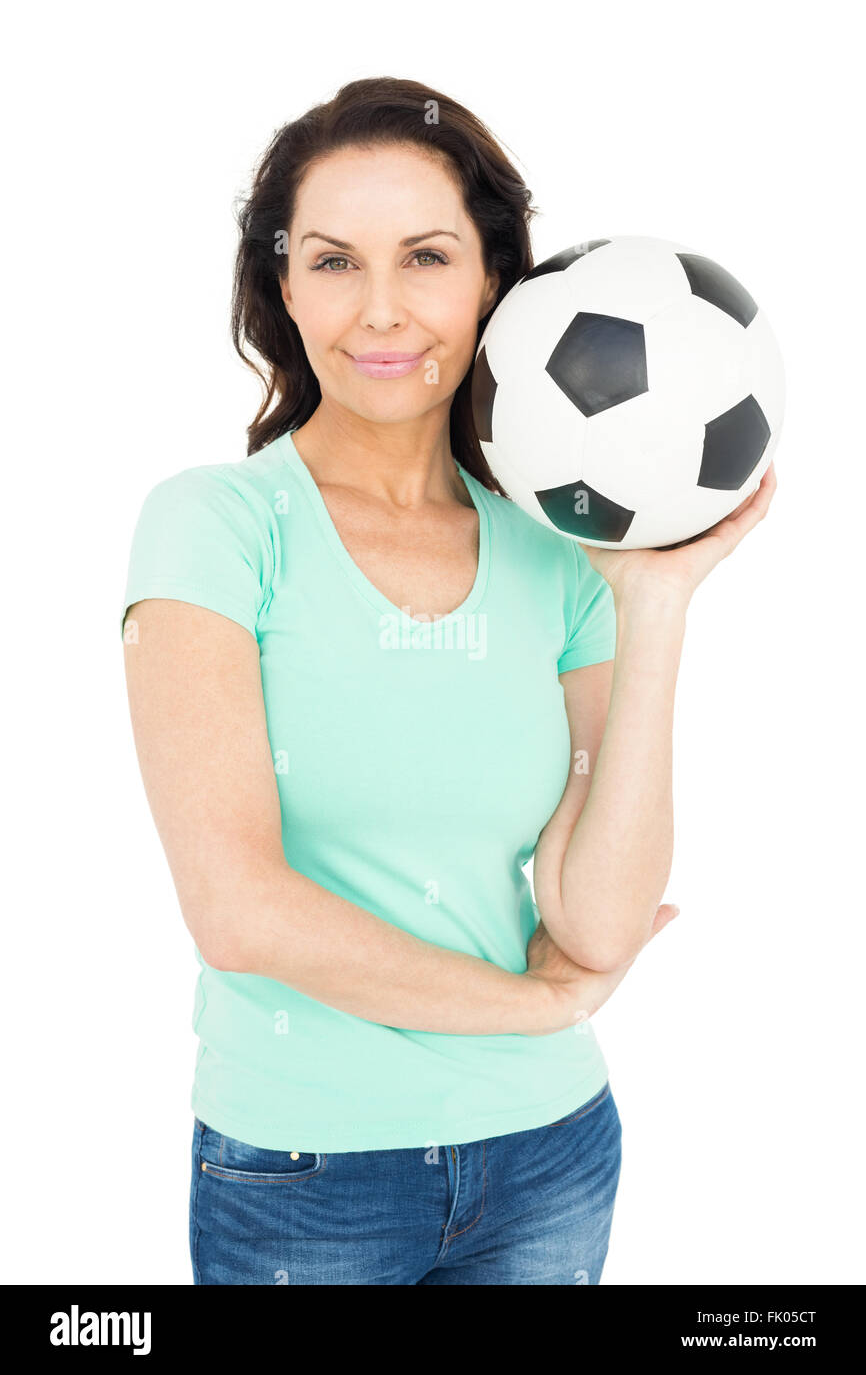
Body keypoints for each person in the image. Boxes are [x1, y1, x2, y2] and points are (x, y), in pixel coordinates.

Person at [120, 77, 775, 1286]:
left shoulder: (556, 550)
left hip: (549, 1154)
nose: (380, 309)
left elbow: (596, 919)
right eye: (332, 261)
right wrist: (533, 1006)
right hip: (304, 1175)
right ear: (281, 285)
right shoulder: (214, 527)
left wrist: (653, 603)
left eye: (425, 257)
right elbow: (236, 909)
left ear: (492, 280)